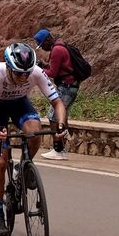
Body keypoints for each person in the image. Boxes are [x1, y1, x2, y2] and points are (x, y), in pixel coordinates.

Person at [0, 43, 68, 236]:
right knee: (0, 161)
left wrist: (60, 125)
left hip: (19, 105)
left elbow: (58, 102)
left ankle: (24, 167)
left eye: (27, 74)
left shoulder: (37, 73)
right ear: (8, 67)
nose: (24, 78)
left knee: (34, 131)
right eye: (18, 74)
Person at [33, 28, 82, 160]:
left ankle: (58, 149)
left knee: (54, 116)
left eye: (42, 44)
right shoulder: (60, 45)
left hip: (66, 87)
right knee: (62, 117)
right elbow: (56, 68)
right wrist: (44, 66)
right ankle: (62, 148)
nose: (43, 47)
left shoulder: (57, 50)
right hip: (72, 86)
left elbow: (52, 73)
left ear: (48, 40)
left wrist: (39, 71)